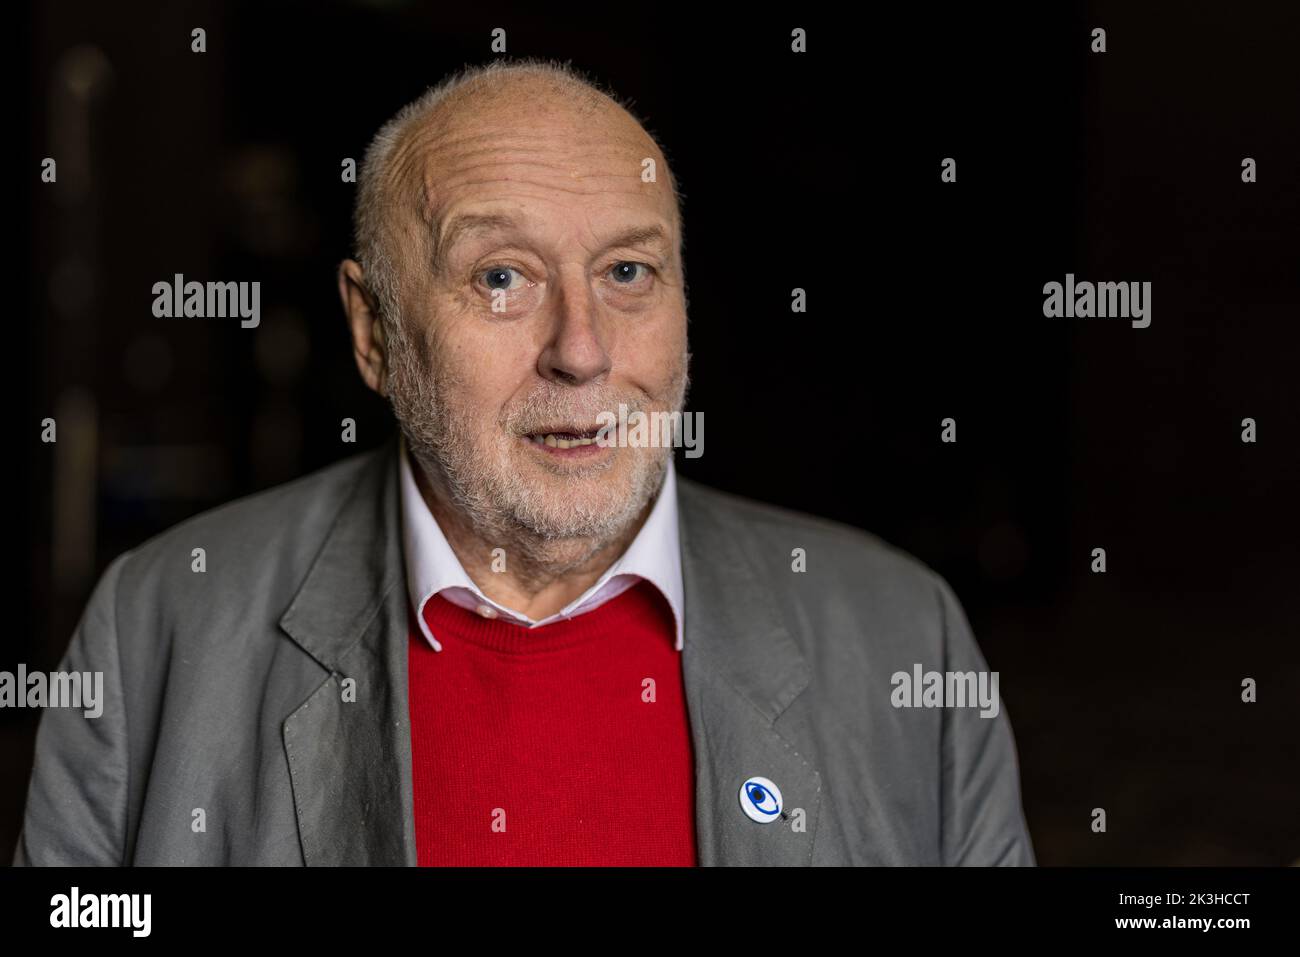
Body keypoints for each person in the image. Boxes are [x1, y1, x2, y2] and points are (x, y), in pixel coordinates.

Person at [14, 58, 1034, 865]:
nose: (581, 350)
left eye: (628, 271)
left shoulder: (904, 636)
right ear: (373, 332)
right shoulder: (157, 630)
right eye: (502, 277)